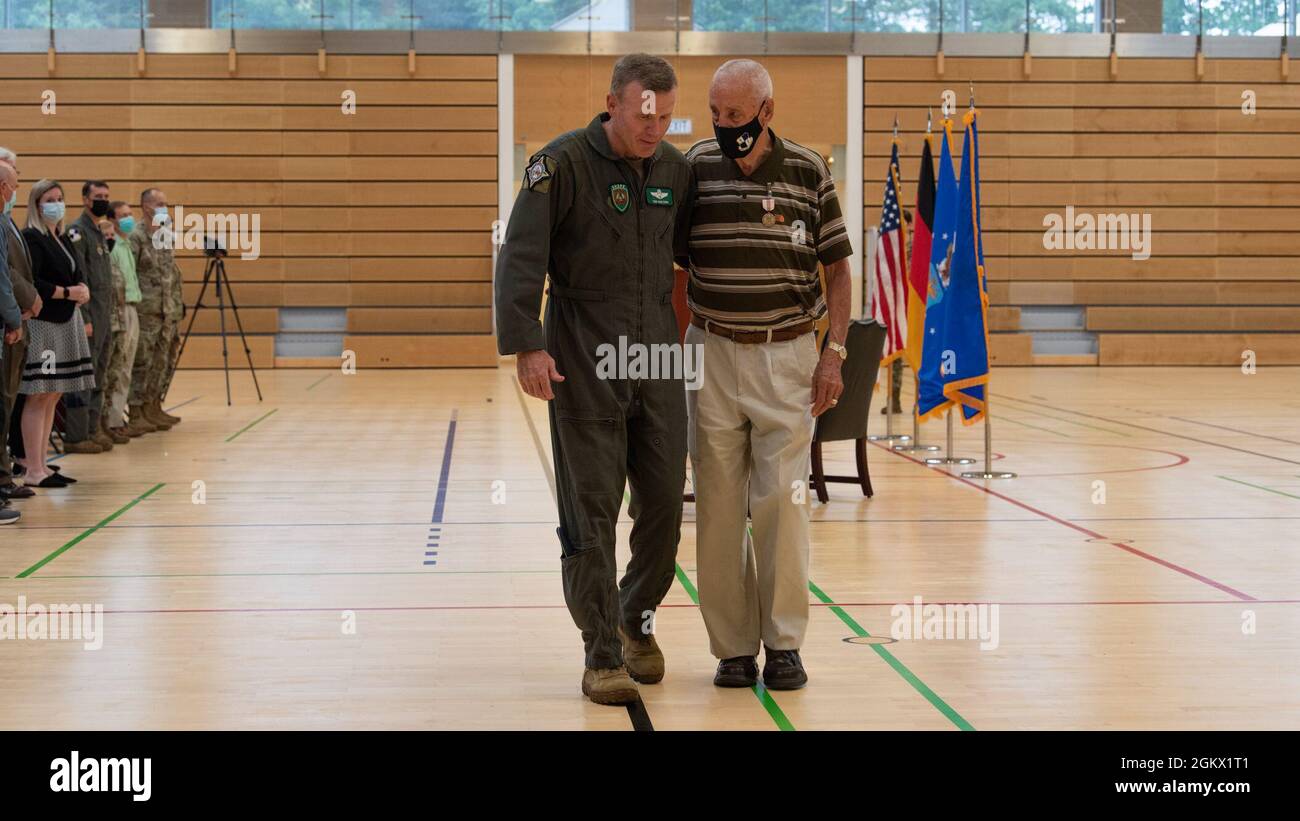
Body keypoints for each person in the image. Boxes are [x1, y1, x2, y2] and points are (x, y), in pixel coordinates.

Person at [494, 53, 693, 706]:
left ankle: (636, 616)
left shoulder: (674, 169)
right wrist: (527, 345)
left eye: (665, 117)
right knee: (592, 513)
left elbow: (692, 258)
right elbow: (521, 257)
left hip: (658, 363)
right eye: (643, 115)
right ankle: (601, 651)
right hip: (582, 361)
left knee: (663, 505)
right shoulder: (561, 166)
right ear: (613, 102)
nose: (654, 129)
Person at [682, 59, 853, 690]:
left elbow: (837, 270)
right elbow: (678, 268)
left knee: (782, 502)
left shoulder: (809, 171)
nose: (724, 127)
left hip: (787, 356)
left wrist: (833, 352)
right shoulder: (696, 167)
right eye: (716, 114)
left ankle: (783, 644)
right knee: (720, 507)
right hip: (712, 353)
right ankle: (732, 647)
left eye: (736, 116)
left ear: (767, 112)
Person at [18, 180, 95, 488]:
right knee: (39, 393)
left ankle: (43, 464)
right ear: (36, 205)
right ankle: (32, 468)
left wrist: (82, 291)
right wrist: (67, 292)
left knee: (54, 393)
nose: (56, 204)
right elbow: (34, 283)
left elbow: (76, 275)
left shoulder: (62, 237)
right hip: (45, 325)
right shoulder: (32, 238)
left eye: (60, 198)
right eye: (50, 199)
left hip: (67, 322)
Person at [63, 180, 117, 453]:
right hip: (88, 316)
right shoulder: (77, 231)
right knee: (83, 376)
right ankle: (76, 435)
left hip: (104, 315)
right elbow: (80, 277)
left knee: (100, 373)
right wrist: (84, 318)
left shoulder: (98, 232)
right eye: (98, 196)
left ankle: (93, 429)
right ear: (85, 199)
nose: (103, 200)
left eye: (106, 196)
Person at [0, 149, 41, 503]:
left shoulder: (7, 220)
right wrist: (18, 310)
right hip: (10, 319)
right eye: (12, 180)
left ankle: (3, 473)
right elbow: (4, 275)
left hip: (15, 318)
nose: (16, 188)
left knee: (8, 400)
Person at [128, 188, 182, 432]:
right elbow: (131, 274)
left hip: (167, 310)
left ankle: (154, 405)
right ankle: (137, 411)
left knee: (163, 361)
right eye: (160, 203)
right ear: (146, 207)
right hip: (145, 311)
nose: (164, 208)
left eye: (166, 203)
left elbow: (172, 274)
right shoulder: (135, 236)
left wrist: (177, 306)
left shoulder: (165, 235)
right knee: (142, 362)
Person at [102, 204, 143, 440]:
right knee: (117, 367)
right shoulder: (113, 245)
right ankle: (112, 420)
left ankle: (118, 417)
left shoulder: (126, 244)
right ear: (112, 220)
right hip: (121, 309)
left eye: (130, 214)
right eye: (123, 216)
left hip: (132, 306)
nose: (129, 219)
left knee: (126, 366)